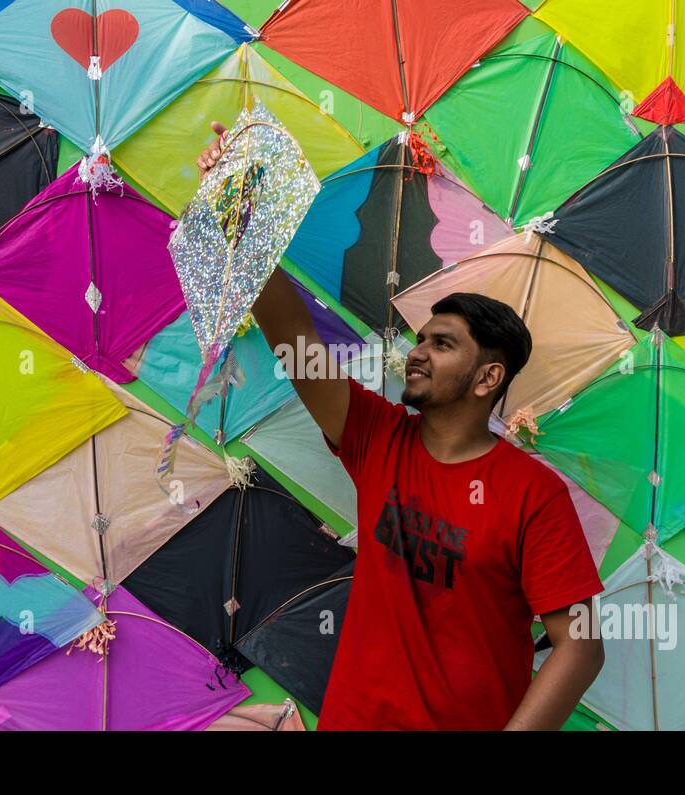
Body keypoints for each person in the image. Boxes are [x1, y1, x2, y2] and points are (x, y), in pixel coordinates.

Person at [196, 122, 605, 730]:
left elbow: (583, 643)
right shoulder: (377, 438)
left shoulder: (534, 496)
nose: (417, 353)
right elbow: (295, 341)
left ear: (488, 378)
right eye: (420, 340)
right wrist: (242, 217)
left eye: (442, 345)